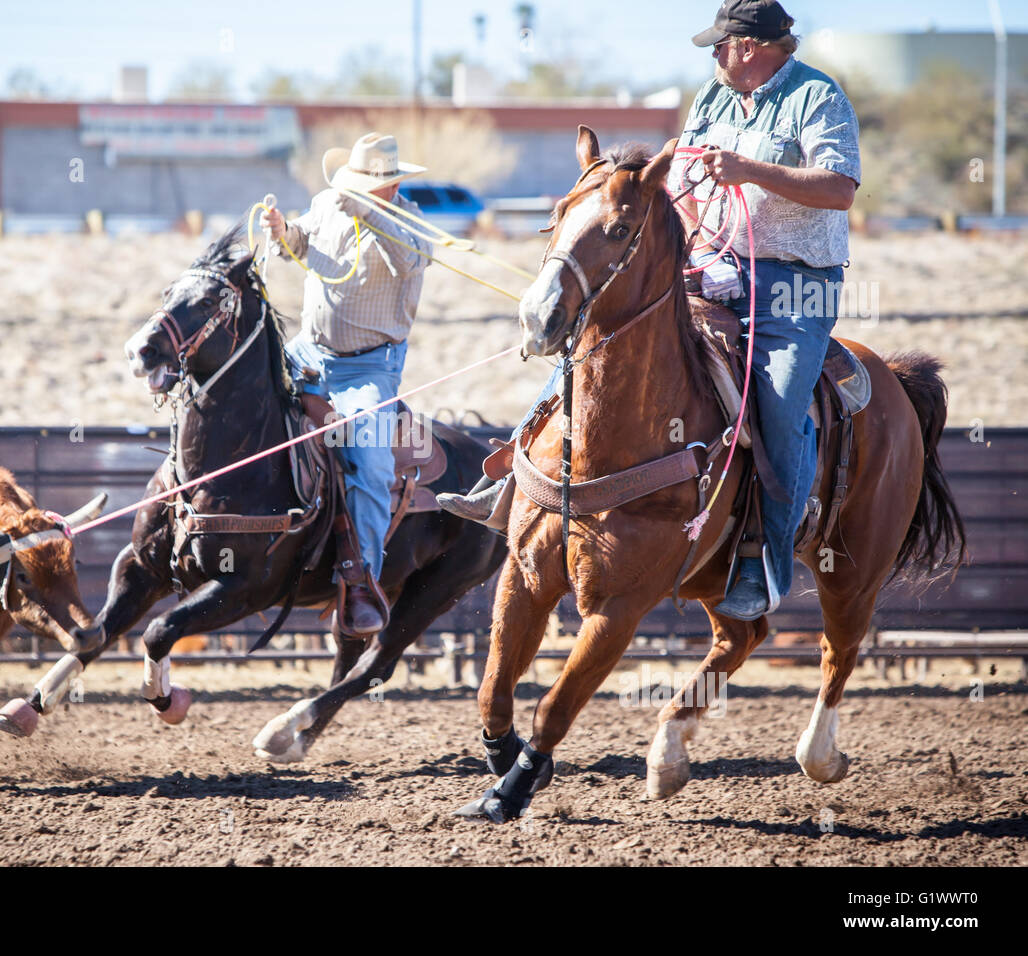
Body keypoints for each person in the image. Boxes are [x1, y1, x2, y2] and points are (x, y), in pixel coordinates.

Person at [437, 0, 861, 622]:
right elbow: (677, 179)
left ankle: (763, 558)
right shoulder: (712, 97)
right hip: (709, 264)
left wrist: (750, 171)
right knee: (598, 345)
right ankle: (509, 481)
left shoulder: (819, 99)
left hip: (793, 285)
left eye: (720, 45)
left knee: (777, 398)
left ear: (748, 46)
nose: (713, 56)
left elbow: (840, 188)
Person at [261, 132, 431, 636]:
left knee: (371, 460)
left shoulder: (410, 222)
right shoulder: (326, 205)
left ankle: (363, 582)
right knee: (241, 388)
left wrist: (366, 213)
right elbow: (300, 244)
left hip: (370, 368)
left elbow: (410, 259)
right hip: (308, 351)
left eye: (363, 186)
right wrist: (282, 229)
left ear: (387, 186)